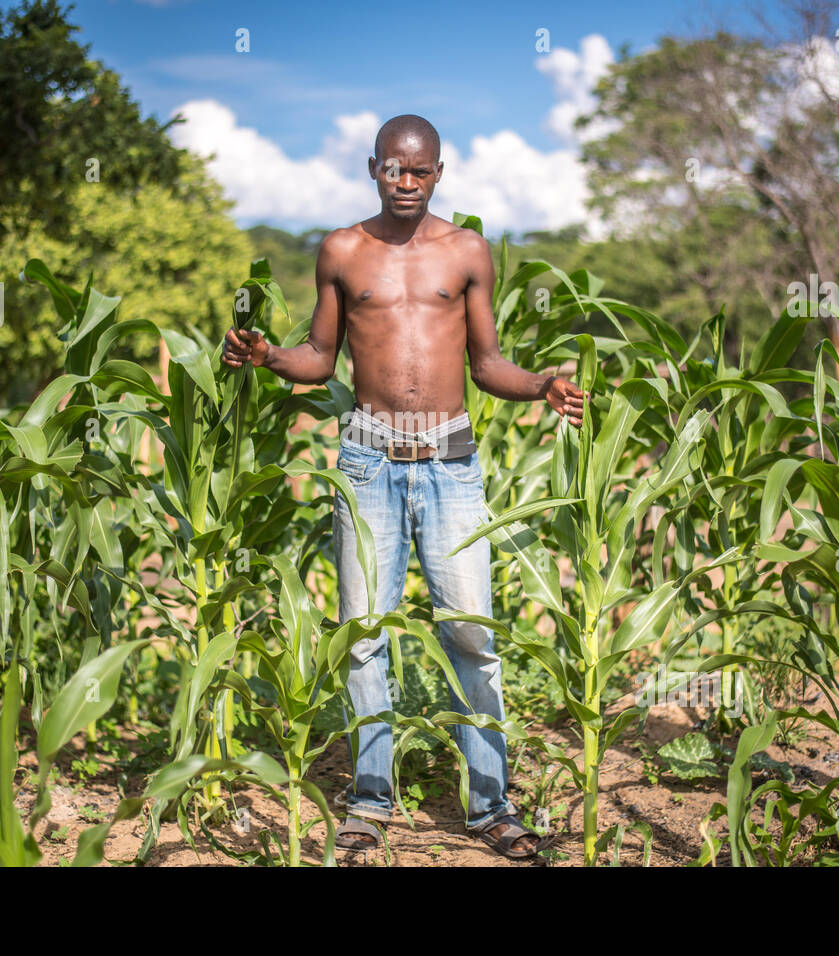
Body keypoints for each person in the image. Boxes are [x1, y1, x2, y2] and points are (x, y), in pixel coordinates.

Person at [221, 114, 585, 860]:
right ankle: (369, 800)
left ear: (440, 173)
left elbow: (488, 365)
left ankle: (489, 808)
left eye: (420, 171)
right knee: (363, 640)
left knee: (473, 637)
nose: (407, 182)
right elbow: (320, 359)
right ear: (373, 168)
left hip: (451, 465)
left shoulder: (467, 252)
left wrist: (542, 382)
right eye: (395, 169)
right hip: (366, 464)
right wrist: (267, 355)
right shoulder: (343, 252)